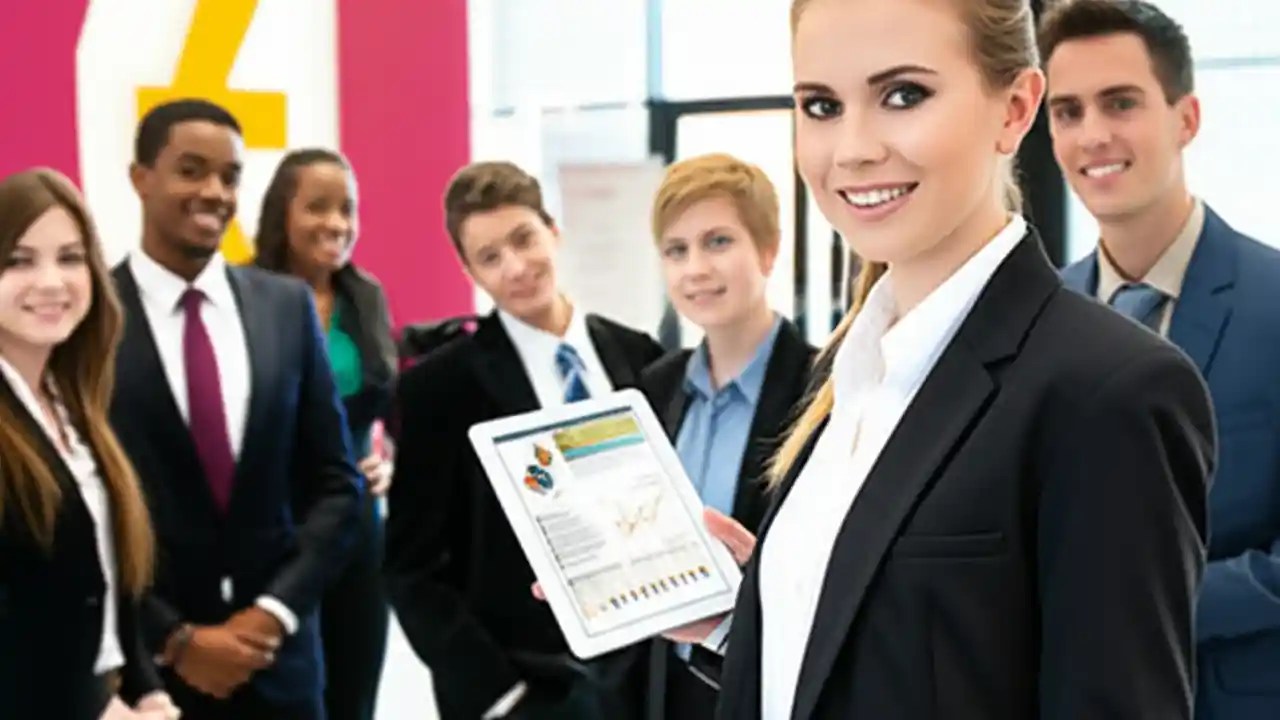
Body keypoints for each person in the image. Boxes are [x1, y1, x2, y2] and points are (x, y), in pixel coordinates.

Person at [679, 0, 1215, 717]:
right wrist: (749, 618)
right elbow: (925, 652)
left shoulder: (1107, 389)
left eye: (904, 95)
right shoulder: (847, 372)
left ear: (1016, 109)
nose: (854, 149)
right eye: (821, 105)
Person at [1042, 3, 1280, 717]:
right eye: (1068, 111)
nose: (1093, 135)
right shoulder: (1034, 318)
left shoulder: (1276, 304)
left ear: (1187, 119)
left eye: (1121, 103)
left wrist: (1141, 608)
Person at [385, 160, 665, 720]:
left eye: (524, 239)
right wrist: (495, 693)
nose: (515, 267)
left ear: (552, 231)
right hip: (521, 686)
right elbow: (409, 568)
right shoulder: (438, 389)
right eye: (490, 257)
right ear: (470, 271)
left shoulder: (642, 358)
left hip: (646, 676)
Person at [110, 99, 361, 720]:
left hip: (281, 665)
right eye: (191, 170)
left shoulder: (285, 307)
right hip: (151, 677)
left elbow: (336, 483)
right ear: (141, 177)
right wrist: (174, 638)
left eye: (230, 176)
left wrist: (272, 615)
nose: (215, 192)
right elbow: (80, 521)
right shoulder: (93, 321)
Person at [637, 153, 815, 720]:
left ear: (767, 249)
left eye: (718, 242)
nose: (695, 269)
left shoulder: (825, 390)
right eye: (676, 250)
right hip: (667, 688)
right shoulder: (656, 387)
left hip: (772, 686)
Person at [0, 168, 180, 720]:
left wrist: (148, 692)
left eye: (71, 258)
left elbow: (105, 585)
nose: (51, 282)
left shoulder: (77, 407)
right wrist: (96, 708)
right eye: (19, 261)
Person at [255, 148, 396, 720]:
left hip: (359, 527)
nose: (337, 224)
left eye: (347, 210)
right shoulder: (243, 294)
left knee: (353, 696)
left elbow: (386, 402)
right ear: (280, 213)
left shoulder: (366, 296)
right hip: (274, 525)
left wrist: (389, 461)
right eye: (318, 207)